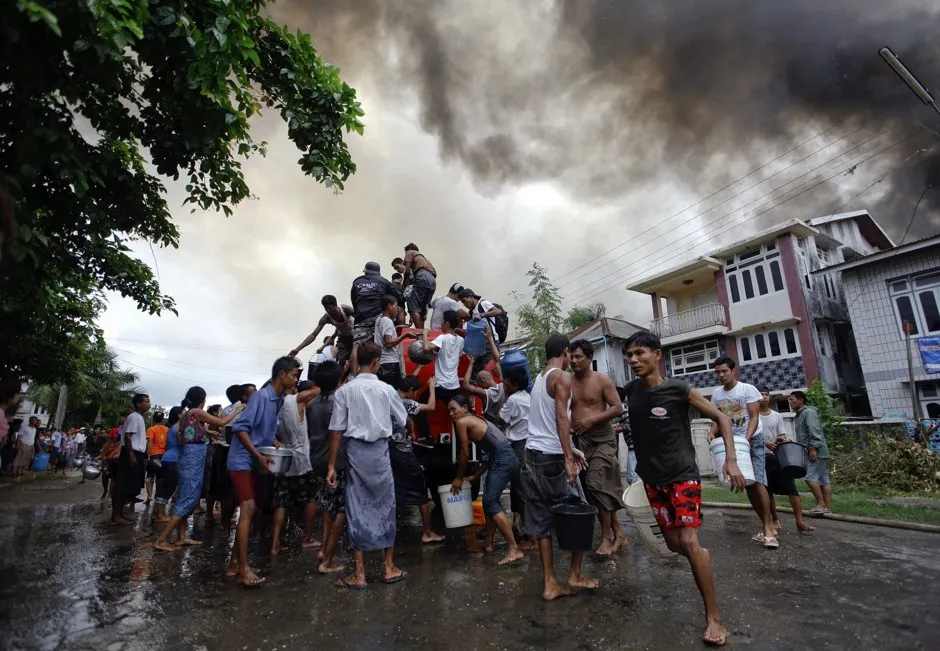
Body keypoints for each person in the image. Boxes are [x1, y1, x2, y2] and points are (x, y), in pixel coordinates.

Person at [625, 331, 745, 646]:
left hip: (683, 476)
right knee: (675, 544)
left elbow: (722, 417)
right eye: (629, 355)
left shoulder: (679, 389)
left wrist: (731, 460)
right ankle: (700, 557)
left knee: (689, 543)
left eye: (639, 353)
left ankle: (714, 617)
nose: (634, 360)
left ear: (657, 355)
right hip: (652, 480)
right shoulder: (630, 392)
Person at [326, 341, 408, 589]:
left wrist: (331, 466)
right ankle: (388, 567)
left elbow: (337, 432)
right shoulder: (387, 390)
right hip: (380, 452)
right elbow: (402, 420)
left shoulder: (344, 391)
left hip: (356, 454)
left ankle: (359, 573)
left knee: (356, 507)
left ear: (356, 361)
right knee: (386, 504)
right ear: (376, 362)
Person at [523, 335, 594, 601]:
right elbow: (560, 418)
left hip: (533, 454)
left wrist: (571, 447)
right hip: (552, 458)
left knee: (542, 519)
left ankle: (550, 583)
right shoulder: (561, 377)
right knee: (580, 512)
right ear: (565, 352)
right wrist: (567, 456)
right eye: (570, 354)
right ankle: (574, 574)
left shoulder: (540, 378)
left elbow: (544, 424)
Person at [227, 357, 301, 587]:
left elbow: (263, 429)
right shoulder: (261, 396)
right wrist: (258, 455)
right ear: (281, 374)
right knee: (248, 508)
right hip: (242, 459)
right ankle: (243, 570)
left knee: (254, 508)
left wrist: (273, 441)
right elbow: (240, 429)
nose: (296, 379)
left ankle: (234, 564)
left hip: (256, 459)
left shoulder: (278, 400)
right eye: (294, 375)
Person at [154, 387, 245, 551]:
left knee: (184, 496)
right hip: (192, 458)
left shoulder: (187, 415)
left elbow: (194, 433)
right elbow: (222, 422)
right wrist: (238, 409)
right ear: (202, 400)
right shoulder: (197, 412)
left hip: (187, 457)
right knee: (188, 497)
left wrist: (209, 433)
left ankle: (181, 537)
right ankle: (162, 540)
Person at [709, 357, 777, 549]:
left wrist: (746, 440)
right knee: (747, 484)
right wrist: (712, 431)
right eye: (717, 372)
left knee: (758, 481)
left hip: (751, 439)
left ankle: (768, 528)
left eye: (724, 371)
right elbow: (719, 417)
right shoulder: (716, 394)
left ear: (733, 371)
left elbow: (754, 417)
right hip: (732, 441)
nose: (721, 375)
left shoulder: (747, 389)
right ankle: (767, 526)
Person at [568, 339, 628, 556]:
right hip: (580, 442)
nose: (573, 361)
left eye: (578, 357)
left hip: (603, 439)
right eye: (571, 357)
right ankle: (619, 533)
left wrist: (591, 420)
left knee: (595, 484)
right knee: (595, 492)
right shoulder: (567, 381)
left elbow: (618, 408)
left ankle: (605, 537)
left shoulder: (602, 380)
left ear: (589, 358)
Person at [449, 395, 524, 565]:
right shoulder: (476, 419)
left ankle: (514, 549)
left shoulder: (462, 422)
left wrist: (459, 478)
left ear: (465, 408)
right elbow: (491, 450)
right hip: (507, 458)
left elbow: (465, 453)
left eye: (454, 409)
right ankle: (489, 542)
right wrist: (476, 475)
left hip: (502, 460)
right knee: (490, 501)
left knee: (490, 501)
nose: (451, 414)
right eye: (449, 411)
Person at [270, 379, 323, 556]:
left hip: (283, 459)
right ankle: (307, 538)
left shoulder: (274, 405)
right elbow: (318, 390)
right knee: (311, 498)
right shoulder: (295, 400)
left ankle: (275, 543)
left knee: (282, 502)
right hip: (302, 459)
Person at [391, 375, 445, 544]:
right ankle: (427, 533)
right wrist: (431, 386)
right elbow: (431, 406)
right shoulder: (406, 402)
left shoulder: (390, 396)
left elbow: (407, 419)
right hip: (403, 451)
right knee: (421, 490)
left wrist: (411, 429)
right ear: (412, 391)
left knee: (391, 490)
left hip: (387, 450)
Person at [306, 361, 347, 575]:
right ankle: (327, 561)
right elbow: (339, 433)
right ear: (338, 380)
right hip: (336, 462)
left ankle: (323, 549)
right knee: (342, 508)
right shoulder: (339, 403)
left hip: (316, 460)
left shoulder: (312, 403)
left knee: (326, 507)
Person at [759, 389, 814, 534]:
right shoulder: (753, 416)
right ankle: (774, 518)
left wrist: (783, 439)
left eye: (766, 394)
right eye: (760, 395)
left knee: (792, 489)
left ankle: (799, 521)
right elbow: (750, 436)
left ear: (770, 397)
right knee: (767, 490)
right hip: (762, 457)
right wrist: (765, 444)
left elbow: (781, 433)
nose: (763, 397)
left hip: (779, 456)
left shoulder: (776, 416)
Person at [210, 384, 255, 534]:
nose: (257, 394)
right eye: (253, 392)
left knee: (226, 489)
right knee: (229, 491)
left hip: (223, 450)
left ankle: (226, 522)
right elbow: (230, 435)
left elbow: (215, 429)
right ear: (243, 396)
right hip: (229, 451)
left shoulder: (226, 409)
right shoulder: (237, 410)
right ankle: (226, 523)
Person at [350, 262, 402, 374]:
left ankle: (354, 376)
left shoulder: (357, 281)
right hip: (377, 316)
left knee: (356, 348)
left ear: (365, 270)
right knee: (379, 344)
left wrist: (359, 312)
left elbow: (354, 300)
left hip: (361, 317)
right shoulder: (383, 281)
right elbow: (397, 296)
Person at [499, 364, 531, 540]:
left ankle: (529, 530)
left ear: (515, 384)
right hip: (527, 444)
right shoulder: (527, 397)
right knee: (520, 485)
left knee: (520, 487)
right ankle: (518, 522)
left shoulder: (513, 400)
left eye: (507, 381)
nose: (504, 383)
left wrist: (504, 398)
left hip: (518, 444)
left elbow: (501, 419)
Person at [789, 390, 832, 514]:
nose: (790, 402)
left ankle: (821, 504)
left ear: (801, 400)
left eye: (792, 399)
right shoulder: (801, 414)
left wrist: (813, 448)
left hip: (814, 451)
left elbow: (814, 431)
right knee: (823, 480)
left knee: (809, 476)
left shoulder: (808, 413)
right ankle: (827, 508)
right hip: (818, 451)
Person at [112, 394, 150, 524]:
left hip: (136, 453)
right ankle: (116, 515)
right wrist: (131, 456)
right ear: (139, 404)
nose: (149, 404)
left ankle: (120, 513)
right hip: (131, 453)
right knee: (124, 484)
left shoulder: (139, 418)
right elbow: (128, 437)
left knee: (131, 486)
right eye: (146, 402)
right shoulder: (134, 417)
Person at [289, 295, 356, 367]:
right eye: (326, 308)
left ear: (335, 305)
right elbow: (313, 335)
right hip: (343, 337)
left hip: (355, 333)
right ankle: (340, 377)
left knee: (354, 356)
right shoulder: (326, 318)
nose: (328, 310)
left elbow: (361, 318)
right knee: (341, 359)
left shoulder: (346, 310)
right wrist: (297, 349)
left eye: (330, 308)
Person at [461, 323, 504, 423]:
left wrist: (471, 364)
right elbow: (497, 360)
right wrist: (490, 339)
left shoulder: (485, 394)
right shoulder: (503, 386)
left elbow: (466, 385)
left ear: (483, 381)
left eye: (479, 384)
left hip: (492, 428)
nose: (479, 386)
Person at [422, 310, 464, 405]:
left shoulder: (443, 338)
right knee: (455, 412)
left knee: (421, 404)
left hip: (441, 385)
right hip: (454, 385)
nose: (441, 324)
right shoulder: (461, 340)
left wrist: (425, 334)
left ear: (447, 323)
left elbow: (426, 347)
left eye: (442, 321)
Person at [458, 288, 504, 375]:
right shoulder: (472, 312)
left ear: (470, 297)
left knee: (489, 368)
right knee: (479, 370)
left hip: (491, 342)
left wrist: (482, 314)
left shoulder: (482, 303)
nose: (464, 304)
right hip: (480, 345)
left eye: (464, 301)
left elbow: (498, 311)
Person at [374, 294, 417, 386]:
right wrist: (405, 335)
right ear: (389, 306)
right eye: (396, 306)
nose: (397, 309)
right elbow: (388, 343)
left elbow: (389, 329)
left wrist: (406, 326)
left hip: (382, 363)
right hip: (390, 365)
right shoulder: (388, 321)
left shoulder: (380, 319)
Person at [154, 407, 184, 524]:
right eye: (184, 412)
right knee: (169, 487)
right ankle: (160, 515)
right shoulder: (178, 428)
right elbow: (182, 443)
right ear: (179, 415)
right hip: (174, 460)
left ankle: (160, 513)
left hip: (168, 457)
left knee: (167, 486)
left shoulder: (172, 427)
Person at [400, 243, 438, 330]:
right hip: (432, 280)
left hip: (422, 276)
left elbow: (407, 272)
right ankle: (422, 333)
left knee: (412, 301)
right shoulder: (425, 259)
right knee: (422, 309)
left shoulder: (410, 252)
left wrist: (404, 284)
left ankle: (419, 334)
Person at [613, 388, 638, 484]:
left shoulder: (622, 408)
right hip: (634, 445)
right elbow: (627, 422)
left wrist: (613, 430)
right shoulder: (625, 407)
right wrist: (616, 426)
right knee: (633, 476)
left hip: (634, 446)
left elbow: (629, 425)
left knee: (632, 477)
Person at [145, 412, 168, 504]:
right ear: (162, 420)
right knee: (160, 476)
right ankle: (158, 495)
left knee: (150, 475)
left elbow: (150, 442)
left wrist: (148, 454)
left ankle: (149, 496)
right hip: (164, 455)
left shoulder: (151, 429)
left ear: (153, 419)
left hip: (154, 455)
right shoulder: (167, 429)